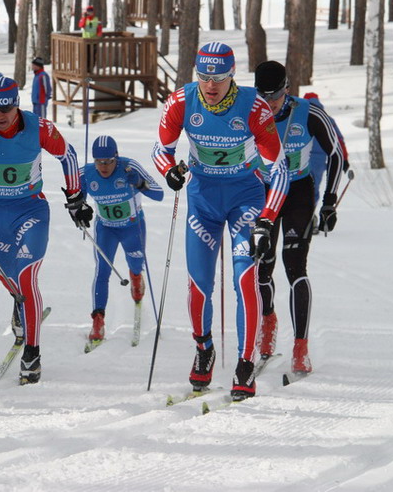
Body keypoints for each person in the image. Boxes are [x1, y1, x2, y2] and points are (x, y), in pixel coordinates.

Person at [152, 42, 289, 401]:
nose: (210, 85)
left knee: (245, 279)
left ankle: (245, 362)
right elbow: (161, 149)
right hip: (203, 200)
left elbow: (279, 169)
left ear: (232, 76)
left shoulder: (254, 107)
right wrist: (169, 171)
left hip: (245, 198)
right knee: (199, 283)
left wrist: (267, 220)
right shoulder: (181, 101)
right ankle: (204, 348)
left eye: (219, 78)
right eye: (203, 76)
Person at [0, 76, 90, 385]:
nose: (0, 115)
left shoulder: (38, 127)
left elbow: (67, 155)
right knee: (7, 276)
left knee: (27, 277)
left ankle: (32, 352)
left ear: (17, 104)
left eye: (6, 108)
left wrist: (75, 196)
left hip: (31, 211)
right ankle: (20, 304)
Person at [253, 62, 344, 376]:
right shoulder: (248, 111)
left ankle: (300, 346)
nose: (270, 103)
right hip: (263, 194)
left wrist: (329, 202)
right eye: (263, 96)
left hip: (298, 193)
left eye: (275, 96)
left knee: (295, 266)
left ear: (287, 89)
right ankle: (268, 321)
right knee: (261, 267)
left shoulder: (308, 113)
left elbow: (335, 153)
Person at [82, 135, 163, 342]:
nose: (104, 167)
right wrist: (78, 208)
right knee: (102, 270)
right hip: (106, 229)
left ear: (116, 157)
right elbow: (74, 195)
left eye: (109, 161)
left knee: (135, 263)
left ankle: (136, 278)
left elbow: (159, 193)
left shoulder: (129, 167)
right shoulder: (86, 173)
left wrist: (140, 183)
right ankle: (98, 320)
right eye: (99, 161)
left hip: (132, 228)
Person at [303, 92, 350, 206]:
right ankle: (311, 211)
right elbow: (339, 140)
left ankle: (301, 211)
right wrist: (344, 159)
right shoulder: (327, 119)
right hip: (320, 159)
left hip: (301, 156)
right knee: (314, 186)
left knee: (300, 186)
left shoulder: (299, 117)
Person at [78, 5, 103, 73]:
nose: (90, 12)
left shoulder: (97, 19)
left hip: (94, 41)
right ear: (86, 12)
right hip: (86, 41)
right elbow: (81, 25)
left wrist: (99, 35)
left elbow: (100, 28)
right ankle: (86, 70)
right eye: (88, 11)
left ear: (93, 12)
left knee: (93, 56)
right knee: (86, 55)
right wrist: (84, 18)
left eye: (91, 11)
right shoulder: (84, 19)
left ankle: (91, 69)